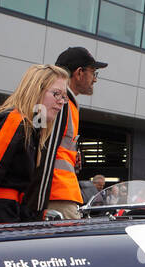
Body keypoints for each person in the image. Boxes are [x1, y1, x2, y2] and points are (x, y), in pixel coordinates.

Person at [0, 65, 70, 225]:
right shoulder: (14, 122)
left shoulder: (29, 129)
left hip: (7, 216)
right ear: (36, 90)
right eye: (56, 94)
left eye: (64, 97)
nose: (61, 102)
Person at [32, 47, 107, 220]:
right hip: (57, 194)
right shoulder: (61, 102)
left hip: (56, 192)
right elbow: (40, 148)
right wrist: (37, 200)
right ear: (79, 72)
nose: (95, 79)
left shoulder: (61, 102)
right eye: (93, 72)